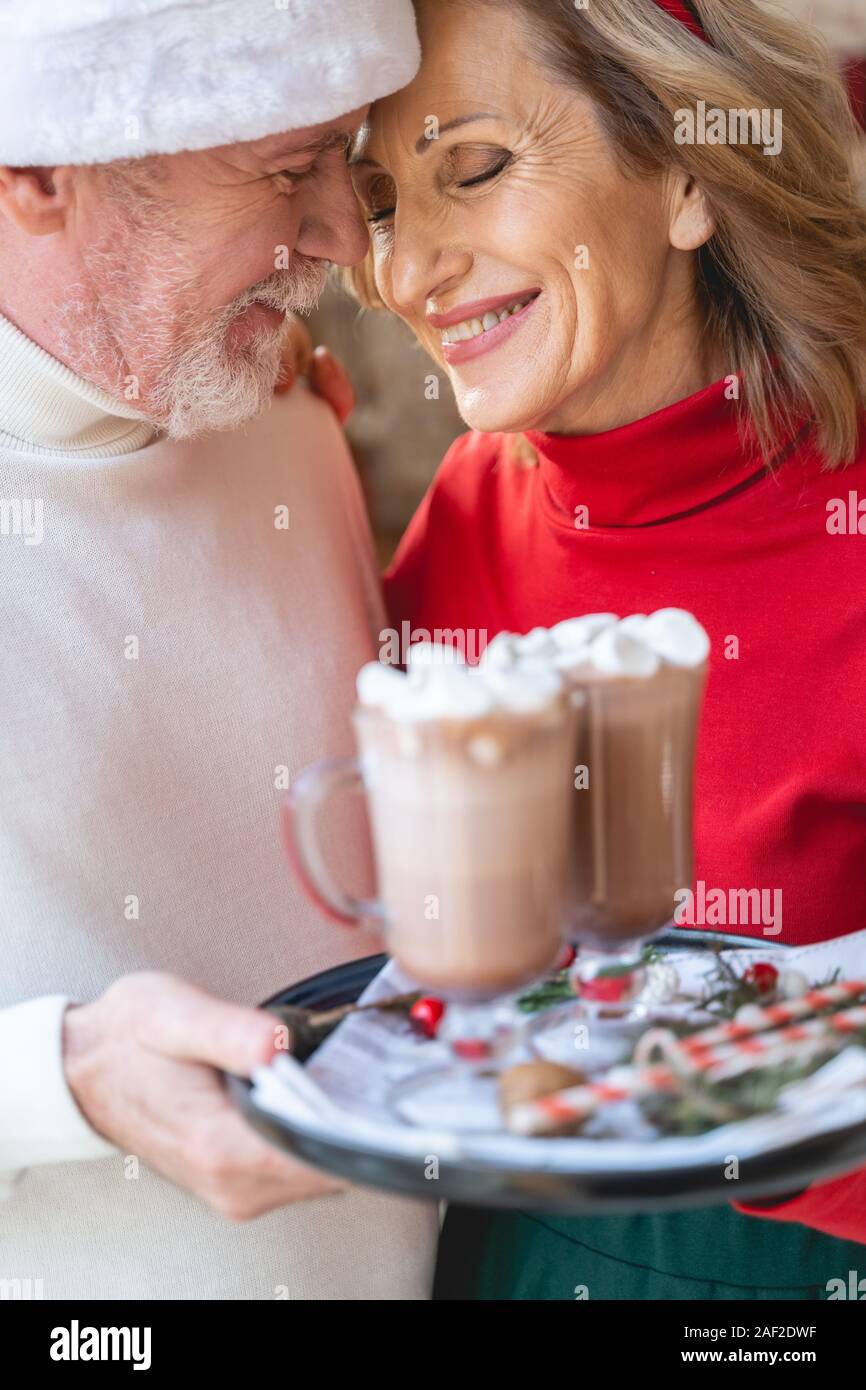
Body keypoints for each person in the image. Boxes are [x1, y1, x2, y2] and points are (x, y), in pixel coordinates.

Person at [345, 0, 866, 1297]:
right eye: (383, 203)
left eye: (473, 170)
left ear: (689, 171)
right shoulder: (473, 498)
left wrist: (734, 1108)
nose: (411, 272)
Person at [0, 0, 439, 1299]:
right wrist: (60, 1075)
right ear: (36, 171)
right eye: (286, 167)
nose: (347, 241)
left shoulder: (282, 408)